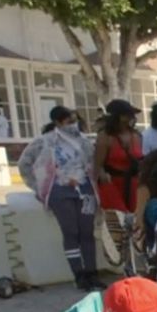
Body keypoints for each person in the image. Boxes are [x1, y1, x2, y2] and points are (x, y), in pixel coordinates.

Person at [17, 106, 104, 291]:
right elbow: (24, 163)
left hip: (84, 190)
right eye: (68, 121)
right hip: (60, 192)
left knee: (87, 233)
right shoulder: (45, 141)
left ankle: (92, 273)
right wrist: (39, 187)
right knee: (71, 232)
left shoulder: (83, 142)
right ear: (57, 122)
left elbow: (93, 163)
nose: (73, 125)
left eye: (75, 121)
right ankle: (79, 275)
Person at [94, 99, 144, 225]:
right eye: (126, 115)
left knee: (136, 220)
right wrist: (102, 176)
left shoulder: (137, 136)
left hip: (134, 183)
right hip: (112, 183)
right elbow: (97, 165)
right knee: (118, 221)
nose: (130, 118)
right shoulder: (105, 136)